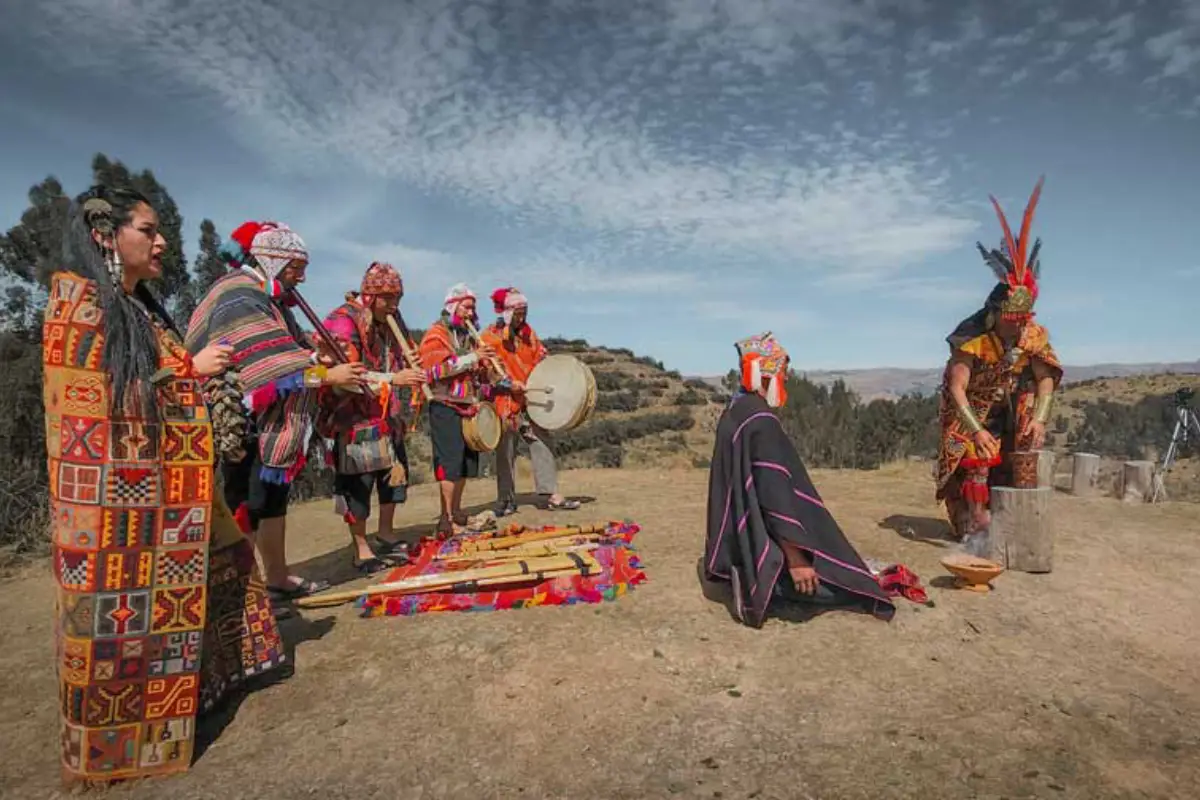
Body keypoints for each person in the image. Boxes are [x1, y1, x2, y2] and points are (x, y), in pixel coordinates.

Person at [44, 186, 288, 787]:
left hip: (169, 488)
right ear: (107, 236)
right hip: (112, 507)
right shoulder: (76, 303)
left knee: (223, 567)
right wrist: (191, 370)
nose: (161, 242)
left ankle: (195, 695)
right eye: (148, 231)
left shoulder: (144, 310)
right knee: (120, 621)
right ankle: (123, 738)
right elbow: (90, 402)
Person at [185, 220, 366, 611]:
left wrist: (317, 354)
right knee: (246, 503)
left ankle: (277, 578)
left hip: (271, 421)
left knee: (272, 500)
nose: (301, 276)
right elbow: (268, 366)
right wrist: (326, 372)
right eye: (295, 267)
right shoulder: (238, 293)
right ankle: (242, 596)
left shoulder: (272, 301)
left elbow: (291, 353)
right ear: (271, 260)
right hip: (243, 418)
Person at [704, 332, 896, 629]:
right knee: (853, 589)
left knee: (840, 570)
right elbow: (773, 495)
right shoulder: (761, 422)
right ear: (764, 373)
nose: (787, 379)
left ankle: (745, 571)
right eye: (783, 372)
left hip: (738, 542)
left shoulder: (736, 411)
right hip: (762, 543)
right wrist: (797, 559)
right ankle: (760, 585)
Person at [935, 178, 1063, 540]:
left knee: (1024, 440)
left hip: (1009, 408)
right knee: (973, 460)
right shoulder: (970, 335)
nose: (1016, 328)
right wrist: (975, 430)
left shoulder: (1031, 333)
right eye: (1010, 321)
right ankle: (970, 515)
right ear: (995, 311)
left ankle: (1014, 516)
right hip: (969, 410)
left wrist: (1038, 419)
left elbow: (1044, 378)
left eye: (1021, 321)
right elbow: (956, 387)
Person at [321, 262, 427, 573]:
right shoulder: (343, 321)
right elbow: (346, 376)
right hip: (353, 419)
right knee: (358, 484)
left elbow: (401, 357)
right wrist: (394, 379)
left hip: (386, 415)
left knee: (394, 478)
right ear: (370, 296)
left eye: (398, 299)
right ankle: (361, 547)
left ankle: (386, 532)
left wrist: (411, 360)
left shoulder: (391, 322)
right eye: (388, 299)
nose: (394, 306)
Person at [480, 286, 580, 515]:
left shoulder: (529, 334)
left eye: (525, 312)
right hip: (505, 401)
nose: (522, 317)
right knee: (505, 451)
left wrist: (550, 368)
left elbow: (540, 359)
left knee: (542, 441)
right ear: (506, 312)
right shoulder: (488, 337)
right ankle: (506, 499)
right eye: (518, 313)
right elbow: (485, 373)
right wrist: (508, 384)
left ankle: (549, 494)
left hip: (530, 398)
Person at [417, 283, 496, 536]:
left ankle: (457, 511)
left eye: (473, 308)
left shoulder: (469, 336)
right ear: (453, 306)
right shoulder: (436, 333)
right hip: (444, 405)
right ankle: (446, 517)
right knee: (450, 463)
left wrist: (488, 365)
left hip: (466, 405)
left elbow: (473, 370)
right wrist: (474, 357)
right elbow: (436, 369)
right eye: (467, 307)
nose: (471, 313)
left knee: (464, 464)